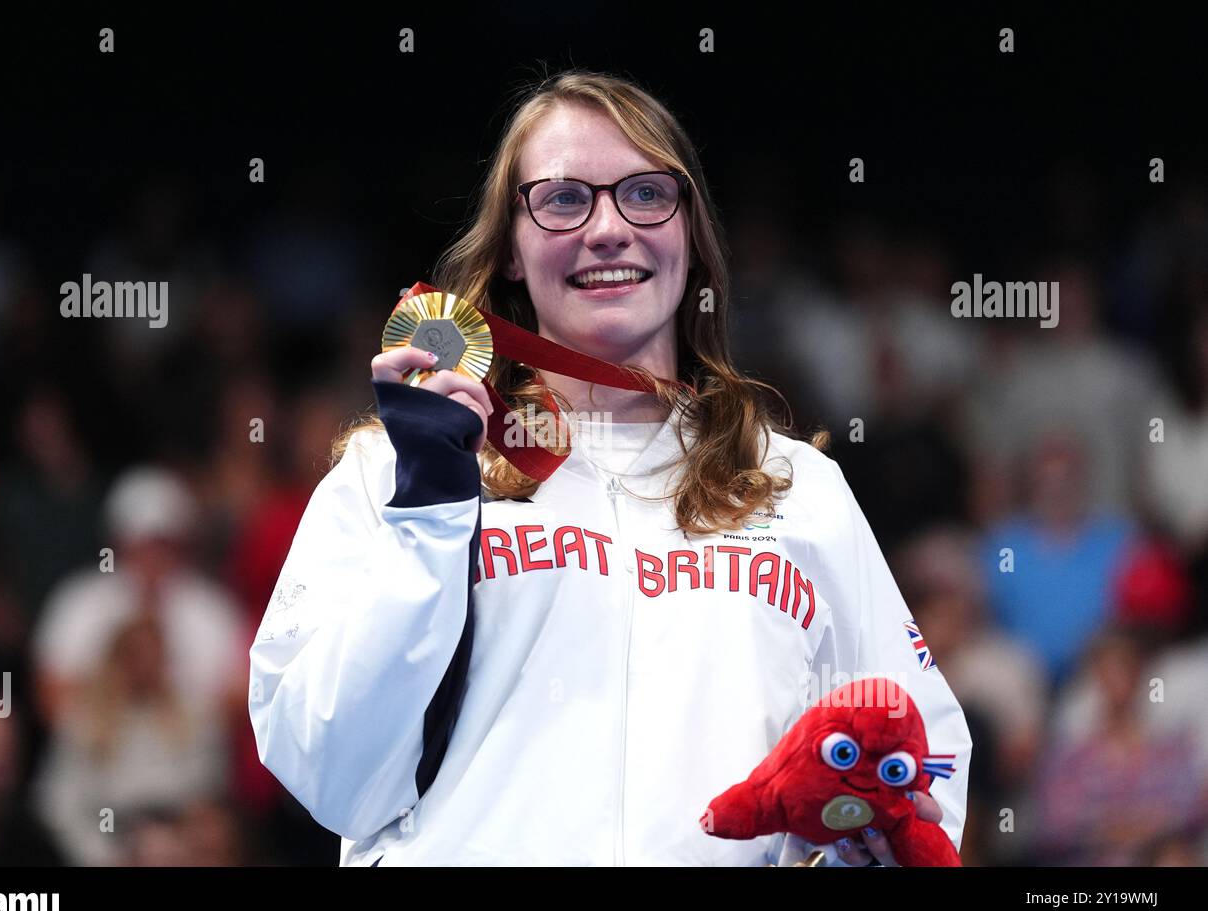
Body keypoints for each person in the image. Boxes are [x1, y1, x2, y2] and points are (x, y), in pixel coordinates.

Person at [248, 70, 972, 866]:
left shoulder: (795, 485)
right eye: (563, 199)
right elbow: (329, 774)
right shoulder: (394, 470)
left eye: (645, 194)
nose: (607, 229)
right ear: (512, 250)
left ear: (690, 234)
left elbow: (920, 752)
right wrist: (429, 512)